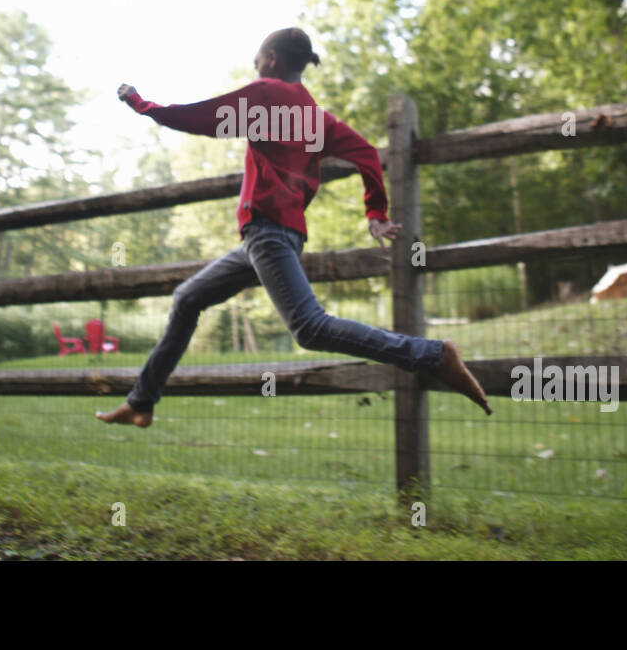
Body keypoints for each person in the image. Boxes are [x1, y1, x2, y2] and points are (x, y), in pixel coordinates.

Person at [97, 27, 492, 427]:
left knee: (309, 328)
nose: (256, 69)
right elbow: (368, 154)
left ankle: (433, 355)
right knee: (187, 298)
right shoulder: (318, 119)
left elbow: (200, 117)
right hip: (270, 236)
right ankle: (142, 401)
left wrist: (141, 104)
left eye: (257, 62)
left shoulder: (265, 93)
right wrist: (375, 212)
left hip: (268, 234)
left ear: (271, 59)